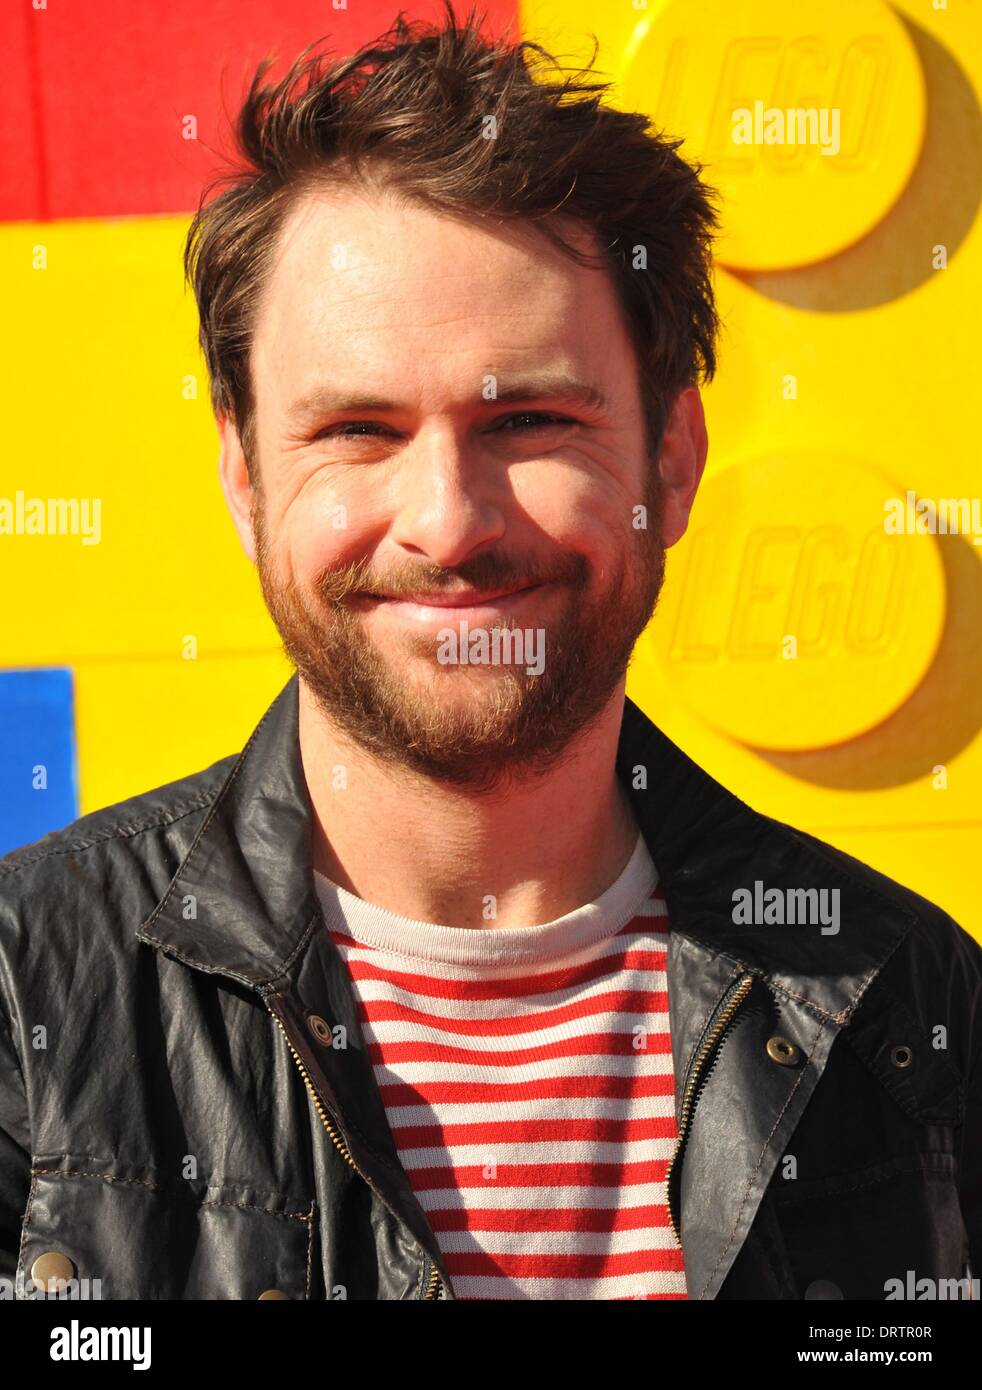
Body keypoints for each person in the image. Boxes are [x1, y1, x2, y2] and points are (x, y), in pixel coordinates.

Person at [1, 2, 979, 1302]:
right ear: (245, 481)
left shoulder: (903, 1000)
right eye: (356, 428)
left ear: (669, 462)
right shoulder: (25, 999)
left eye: (526, 417)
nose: (449, 520)